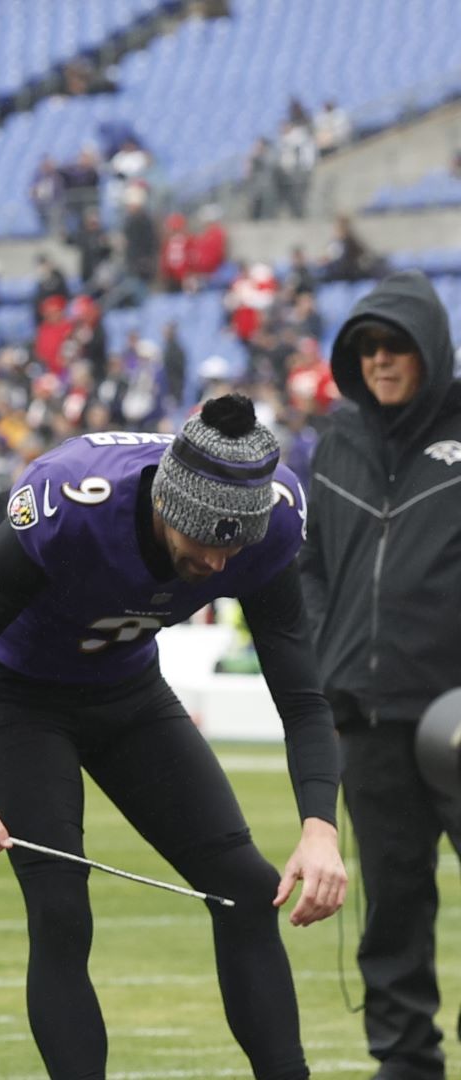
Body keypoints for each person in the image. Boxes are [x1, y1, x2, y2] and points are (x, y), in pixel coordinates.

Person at [0, 394, 347, 1079]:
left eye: (234, 544)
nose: (217, 562)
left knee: (243, 885)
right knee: (62, 909)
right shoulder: (75, 500)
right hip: (18, 699)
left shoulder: (267, 527)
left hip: (127, 691)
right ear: (165, 509)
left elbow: (302, 695)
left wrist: (320, 825)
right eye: (205, 539)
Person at [300, 271, 461, 1080]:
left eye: (395, 344)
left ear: (430, 349)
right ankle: (405, 1061)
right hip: (368, 716)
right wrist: (327, 649)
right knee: (392, 904)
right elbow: (312, 567)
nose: (379, 360)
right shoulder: (338, 442)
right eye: (365, 347)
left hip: (458, 713)